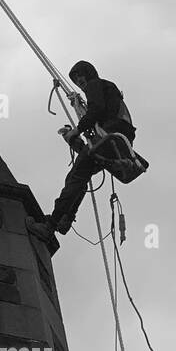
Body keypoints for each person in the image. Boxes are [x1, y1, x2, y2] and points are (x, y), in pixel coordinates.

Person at [28, 61, 137, 239]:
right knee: (81, 175)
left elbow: (96, 110)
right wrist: (74, 141)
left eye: (81, 75)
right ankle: (66, 219)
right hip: (118, 141)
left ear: (90, 73)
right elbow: (89, 151)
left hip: (111, 136)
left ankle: (51, 225)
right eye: (75, 79)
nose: (79, 81)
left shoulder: (96, 84)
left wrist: (76, 131)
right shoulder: (108, 91)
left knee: (75, 177)